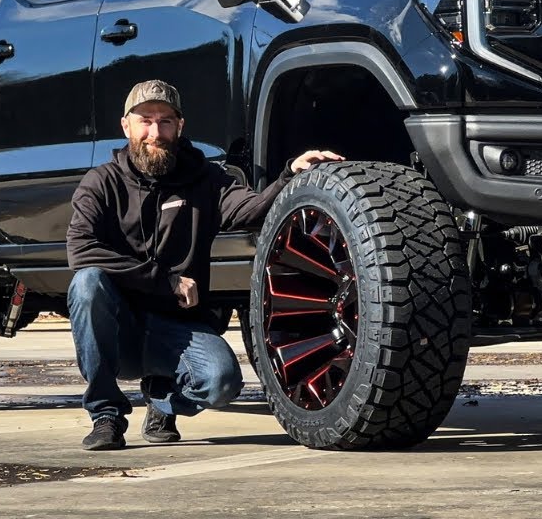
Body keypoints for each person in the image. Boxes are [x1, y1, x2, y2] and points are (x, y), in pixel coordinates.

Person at [65, 79, 343, 450]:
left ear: (179, 127)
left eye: (165, 121)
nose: (155, 132)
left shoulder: (206, 178)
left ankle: (163, 400)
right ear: (126, 126)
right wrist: (165, 282)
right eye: (145, 120)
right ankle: (106, 415)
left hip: (176, 329)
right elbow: (80, 250)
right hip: (120, 328)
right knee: (87, 284)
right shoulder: (101, 183)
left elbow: (251, 210)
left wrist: (290, 175)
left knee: (222, 383)